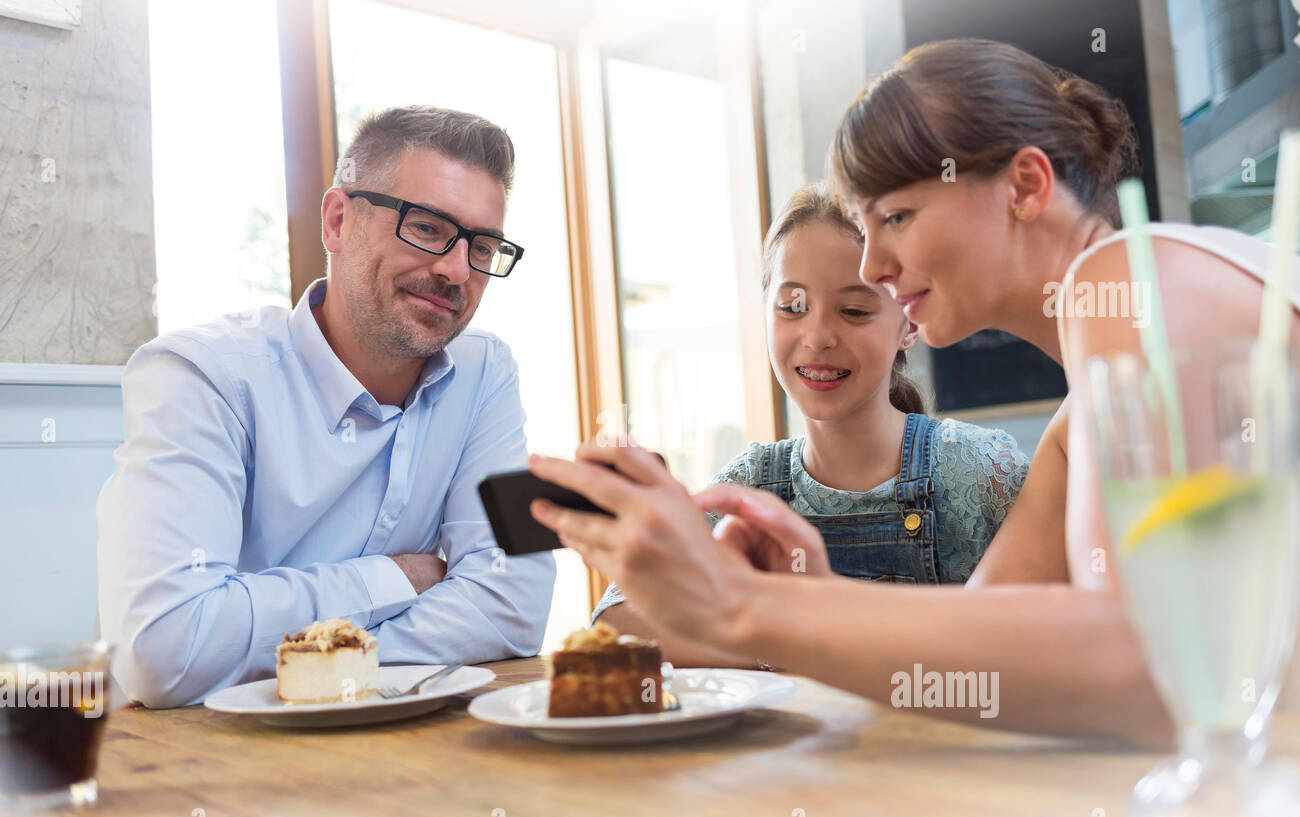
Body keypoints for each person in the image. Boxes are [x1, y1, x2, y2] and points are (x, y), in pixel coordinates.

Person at [527, 38, 1300, 747]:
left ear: (1026, 185)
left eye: (895, 215)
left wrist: (748, 605)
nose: (871, 268)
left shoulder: (1132, 276)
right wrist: (818, 597)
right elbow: (975, 655)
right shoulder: (1082, 415)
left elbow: (1162, 670)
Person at [98, 106, 555, 708]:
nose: (454, 270)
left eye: (483, 246)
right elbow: (167, 649)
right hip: (216, 762)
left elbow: (512, 605)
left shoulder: (487, 372)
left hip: (412, 754)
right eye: (426, 227)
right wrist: (397, 579)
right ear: (338, 221)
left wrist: (305, 657)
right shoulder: (202, 376)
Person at [592, 181, 1029, 667]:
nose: (818, 336)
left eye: (854, 310)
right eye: (792, 307)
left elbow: (1043, 630)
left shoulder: (981, 470)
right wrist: (779, 645)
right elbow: (618, 622)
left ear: (908, 322)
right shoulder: (753, 485)